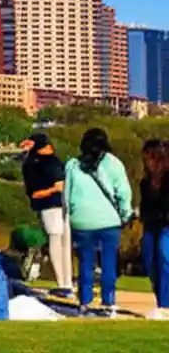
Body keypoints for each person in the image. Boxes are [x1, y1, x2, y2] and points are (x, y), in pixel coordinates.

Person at [66, 127, 133, 312]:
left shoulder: (73, 164)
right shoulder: (113, 164)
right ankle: (108, 302)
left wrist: (70, 215)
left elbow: (66, 195)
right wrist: (125, 214)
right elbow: (123, 193)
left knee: (85, 263)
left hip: (81, 220)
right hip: (108, 220)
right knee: (108, 263)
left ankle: (85, 302)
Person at [21, 133, 73, 296]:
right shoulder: (33, 165)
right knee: (56, 240)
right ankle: (61, 281)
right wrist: (54, 189)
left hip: (63, 205)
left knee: (66, 243)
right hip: (49, 206)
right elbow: (34, 193)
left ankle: (68, 281)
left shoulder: (54, 161)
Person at [139, 139, 169, 318]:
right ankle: (161, 300)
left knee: (164, 257)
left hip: (167, 223)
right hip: (151, 223)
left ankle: (166, 304)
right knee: (150, 261)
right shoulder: (146, 182)